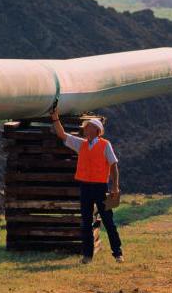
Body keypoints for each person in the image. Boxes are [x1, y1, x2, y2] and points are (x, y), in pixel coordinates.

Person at [50, 107, 124, 264]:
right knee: (86, 222)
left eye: (88, 127)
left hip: (100, 188)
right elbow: (62, 134)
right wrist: (55, 118)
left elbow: (113, 166)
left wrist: (115, 187)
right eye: (85, 128)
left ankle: (117, 253)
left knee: (108, 221)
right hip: (85, 187)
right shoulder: (81, 144)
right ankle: (87, 256)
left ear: (97, 130)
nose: (84, 130)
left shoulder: (105, 145)